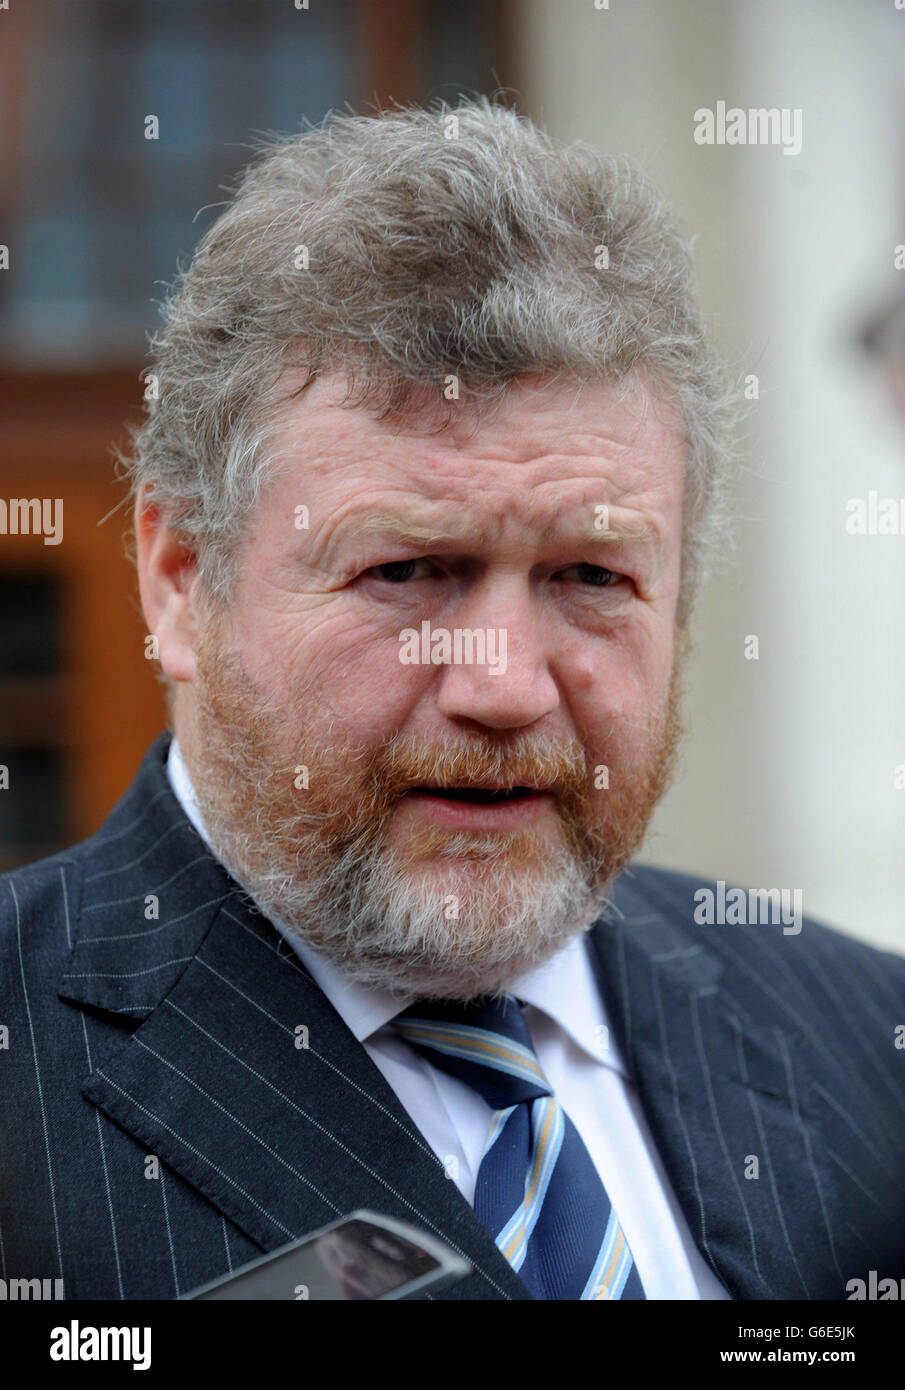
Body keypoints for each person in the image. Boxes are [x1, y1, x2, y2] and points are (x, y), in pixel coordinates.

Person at [2, 98, 903, 1302]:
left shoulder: (863, 1041)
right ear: (179, 582)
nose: (503, 685)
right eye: (407, 570)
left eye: (590, 575)